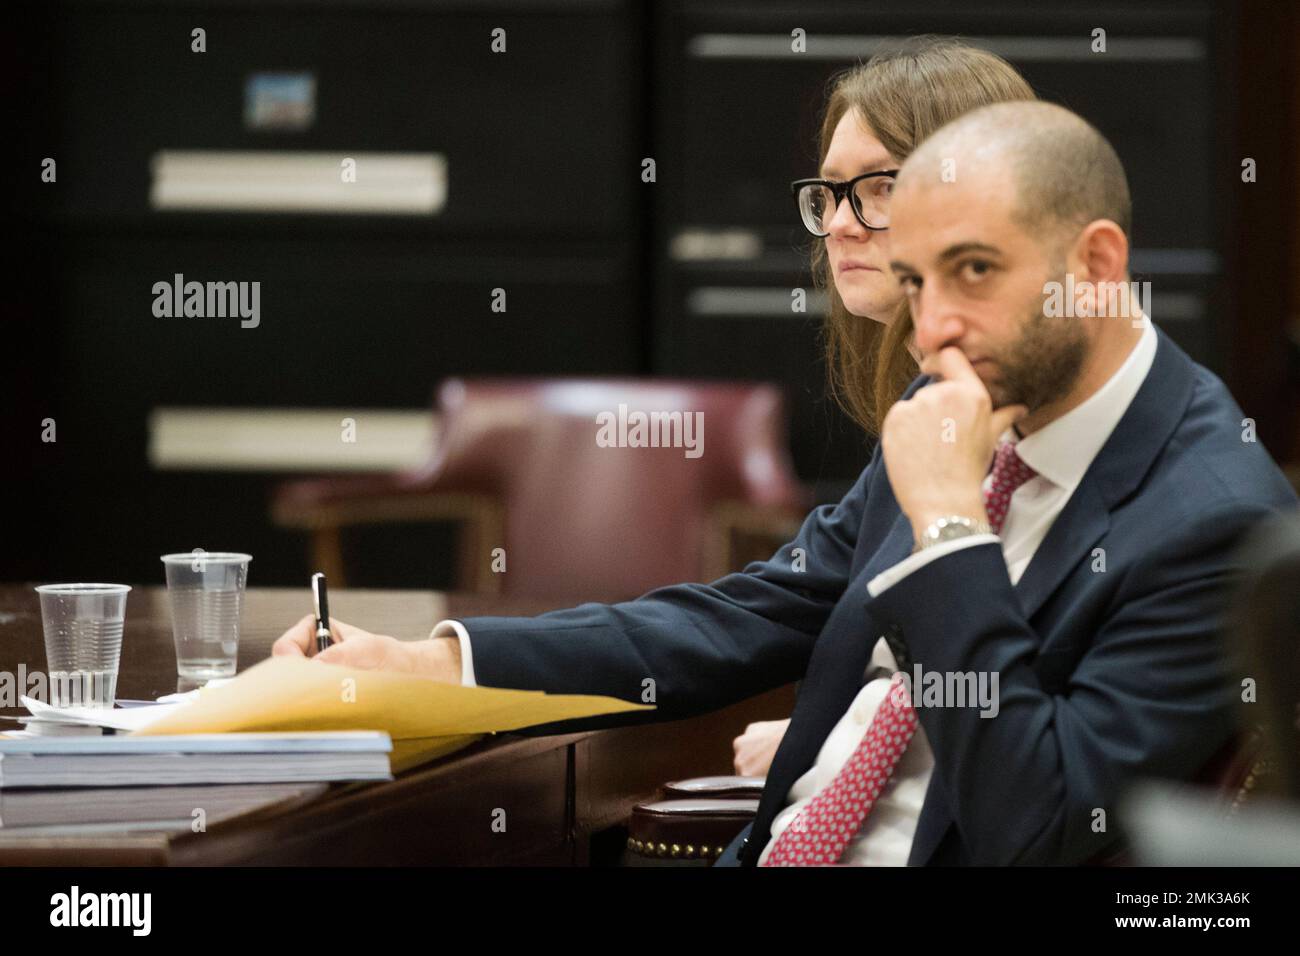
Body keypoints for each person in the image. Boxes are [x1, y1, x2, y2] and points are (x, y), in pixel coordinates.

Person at [275, 101, 1297, 866]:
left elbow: (1032, 826)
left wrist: (949, 532)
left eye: (974, 271)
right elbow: (744, 613)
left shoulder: (1213, 516)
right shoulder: (976, 404)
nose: (932, 326)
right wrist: (434, 662)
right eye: (916, 282)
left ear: (1098, 262)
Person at [734, 37, 1036, 776]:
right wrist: (461, 656)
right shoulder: (929, 403)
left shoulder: (1061, 435)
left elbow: (1027, 714)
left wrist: (838, 735)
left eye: (879, 189)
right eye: (832, 191)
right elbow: (761, 609)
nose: (839, 223)